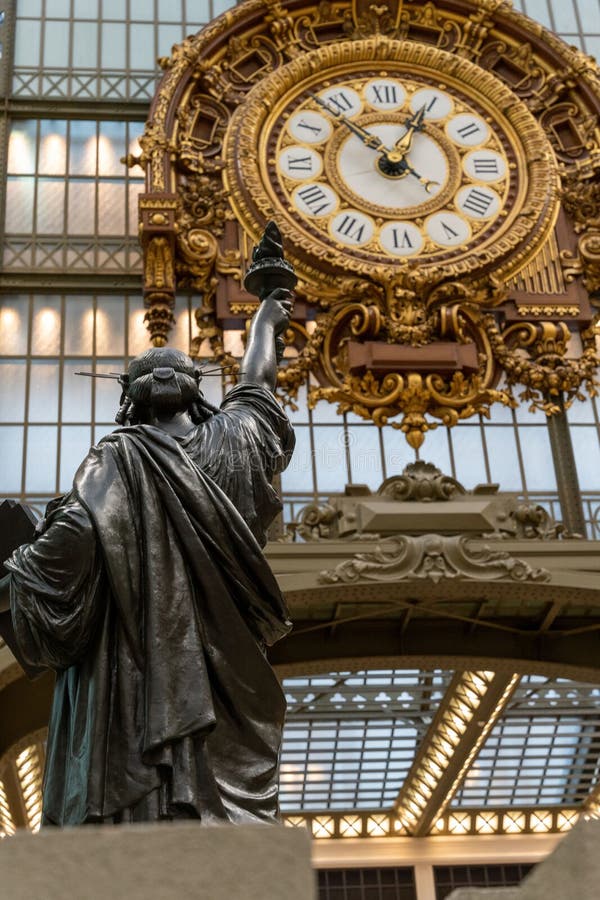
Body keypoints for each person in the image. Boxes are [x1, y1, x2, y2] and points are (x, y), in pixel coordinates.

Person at [0, 288, 295, 826]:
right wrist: (265, 324)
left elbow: (68, 547)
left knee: (125, 814)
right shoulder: (235, 441)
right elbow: (258, 383)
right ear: (194, 393)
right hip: (219, 665)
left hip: (128, 672)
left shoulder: (116, 456)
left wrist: (17, 563)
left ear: (130, 401)